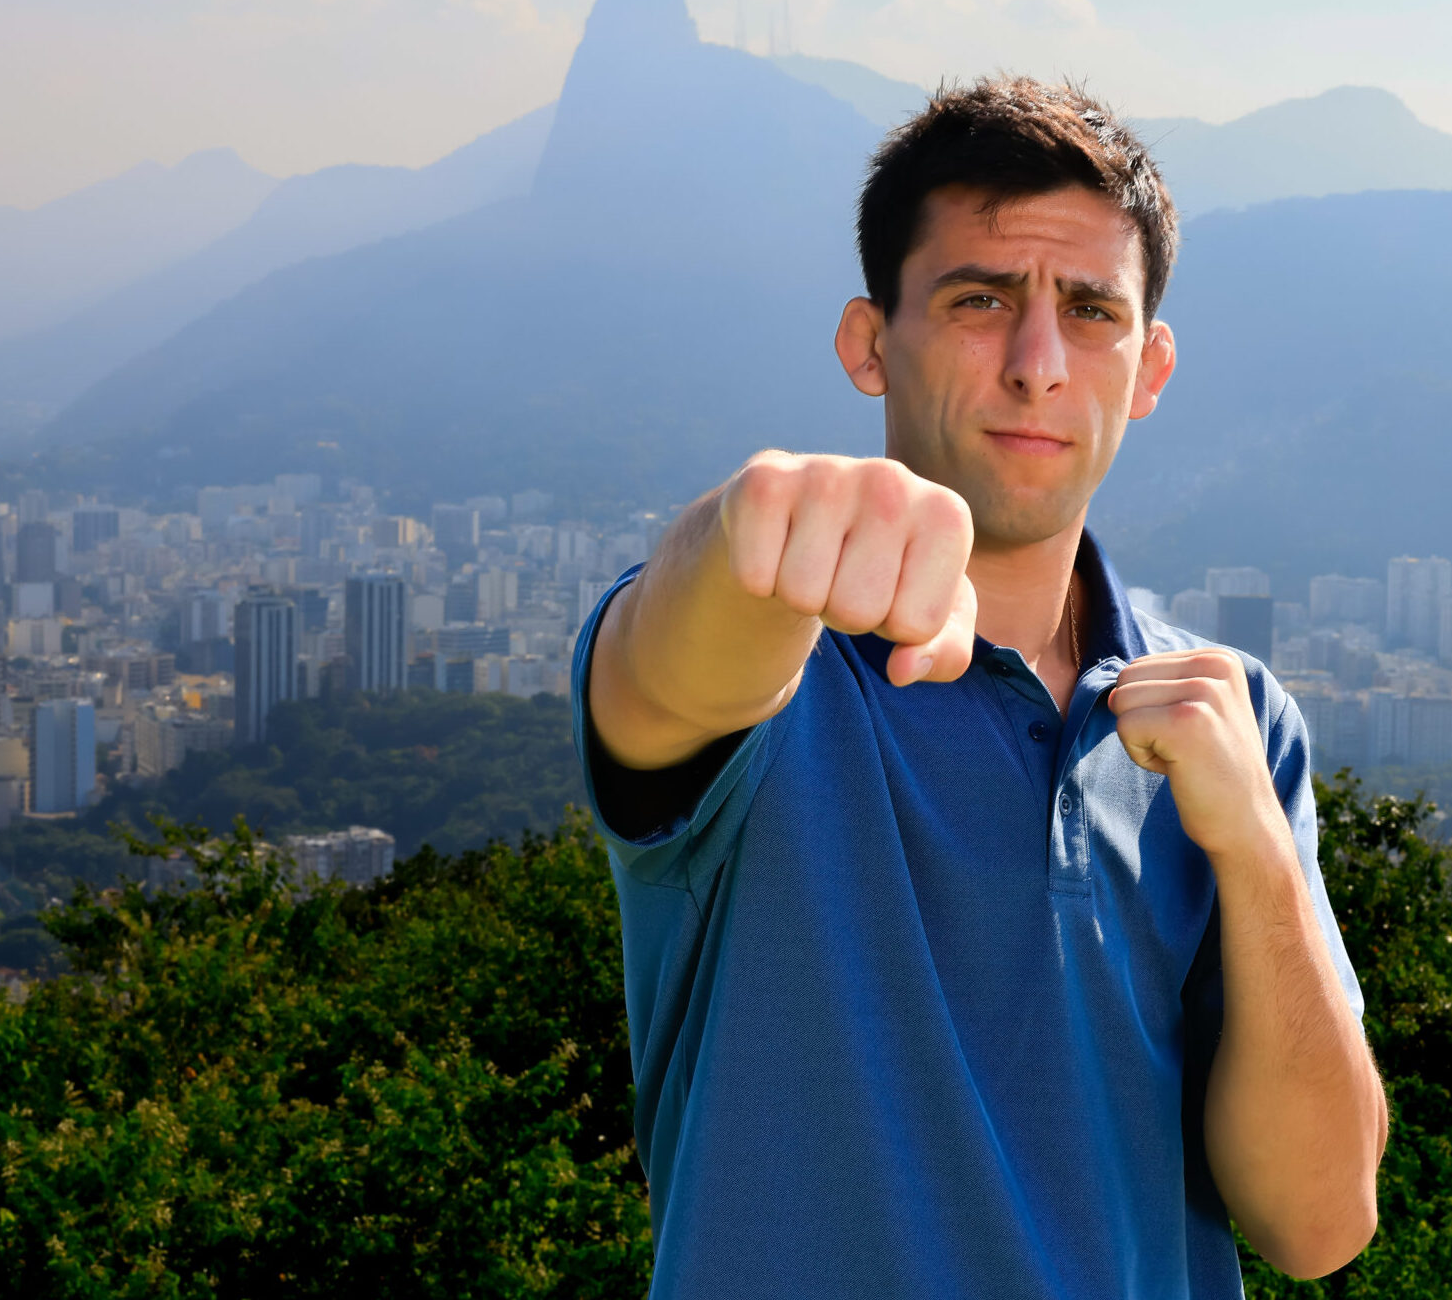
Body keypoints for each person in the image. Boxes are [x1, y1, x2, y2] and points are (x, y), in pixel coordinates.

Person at [574, 77, 1385, 1298]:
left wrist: (1256, 850)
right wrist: (754, 531)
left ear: (1149, 366)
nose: (1037, 364)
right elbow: (659, 674)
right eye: (978, 299)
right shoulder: (772, 669)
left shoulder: (1236, 719)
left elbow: (1317, 1224)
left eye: (1090, 311)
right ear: (867, 344)